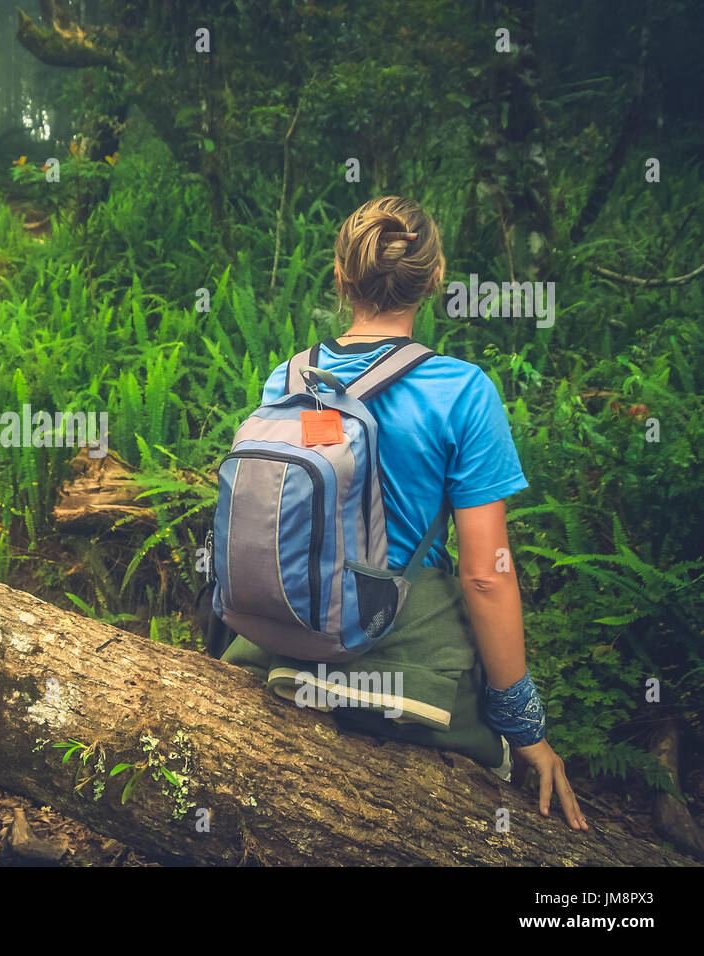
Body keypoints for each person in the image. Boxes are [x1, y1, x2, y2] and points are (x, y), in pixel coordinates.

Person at [219, 195, 588, 831]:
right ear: (435, 278)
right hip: (401, 644)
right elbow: (485, 574)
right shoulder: (464, 391)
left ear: (340, 277)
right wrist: (523, 727)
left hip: (274, 631)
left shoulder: (289, 378)